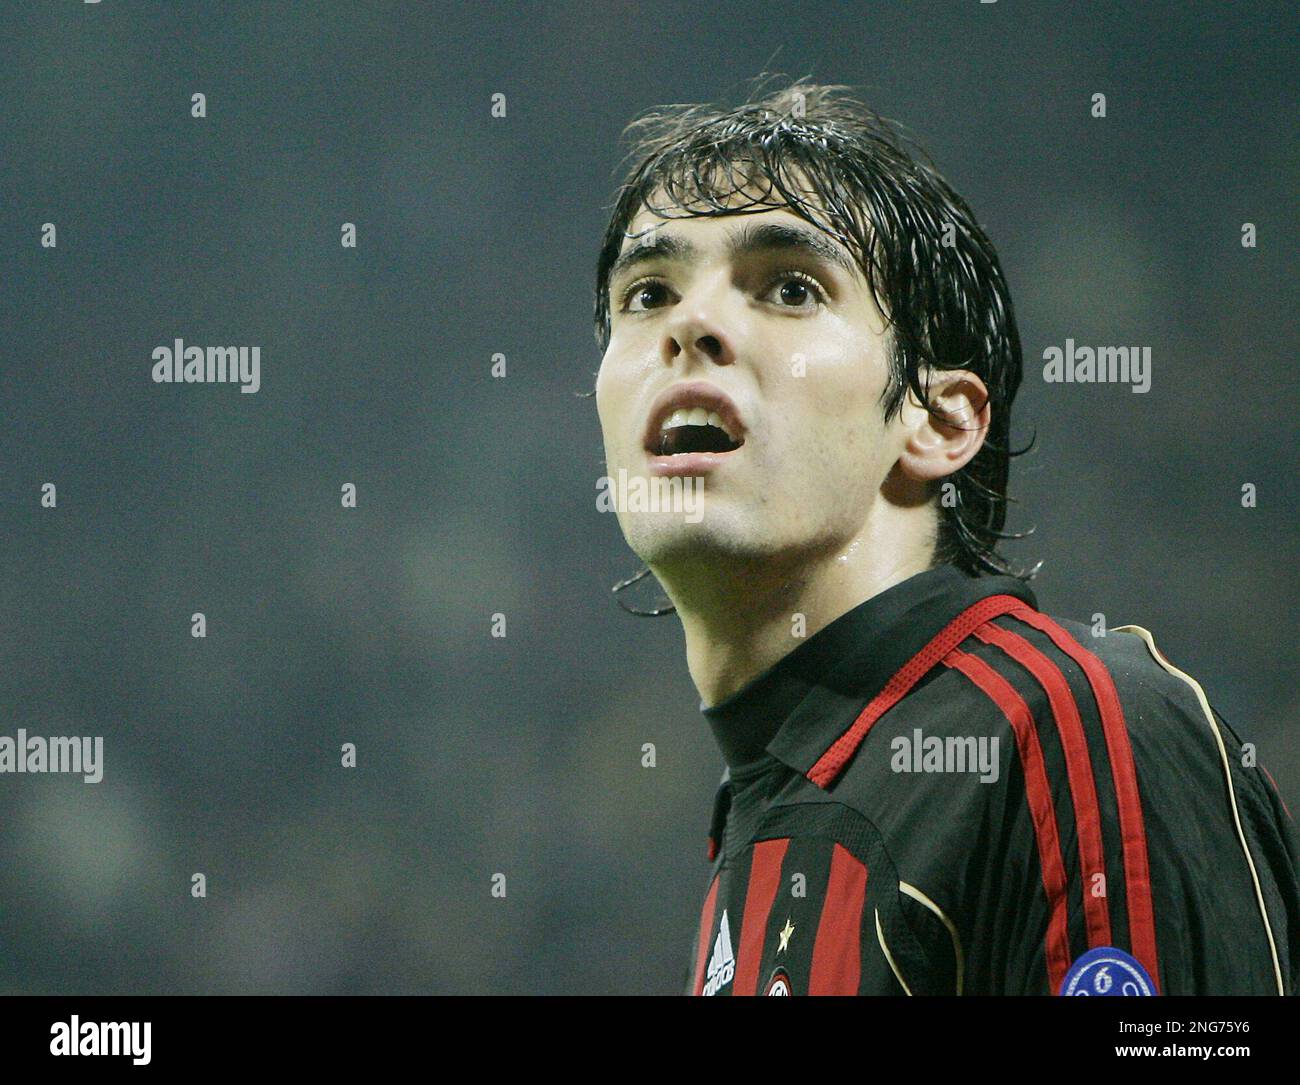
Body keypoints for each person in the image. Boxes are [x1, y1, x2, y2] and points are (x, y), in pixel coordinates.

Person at [589, 78, 1298, 995]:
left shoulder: (1067, 724)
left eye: (791, 287)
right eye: (648, 293)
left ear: (938, 423)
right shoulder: (773, 807)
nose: (690, 326)